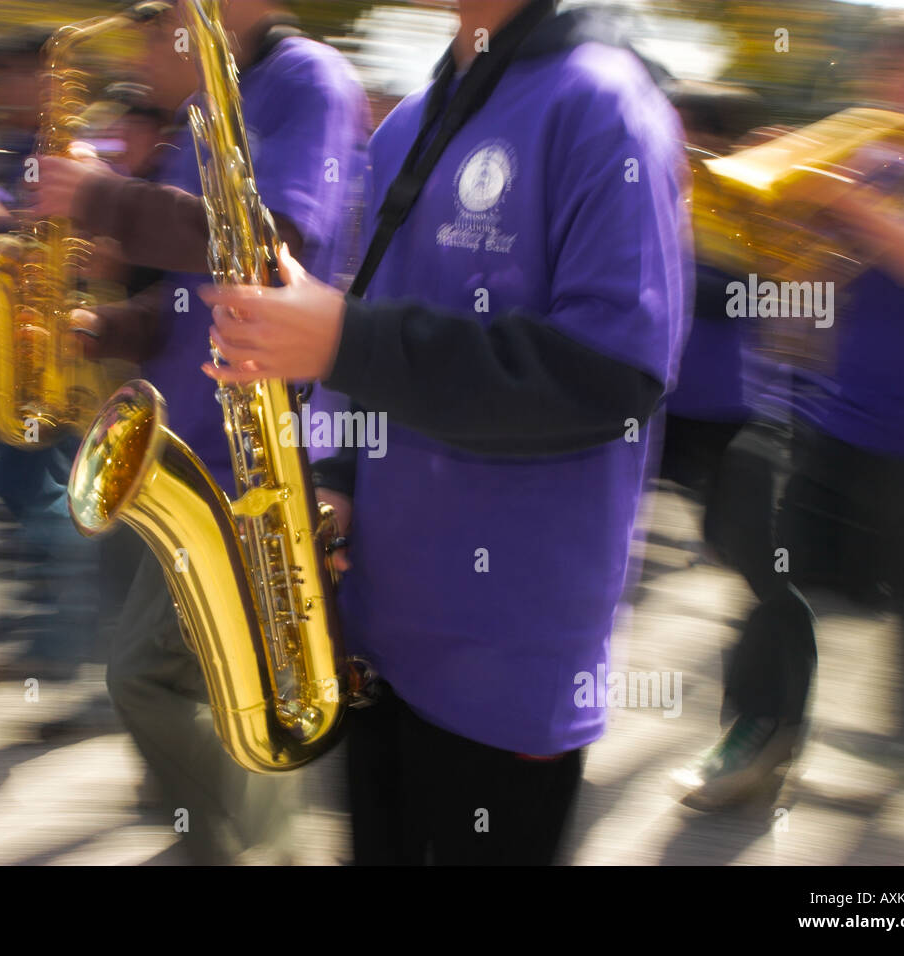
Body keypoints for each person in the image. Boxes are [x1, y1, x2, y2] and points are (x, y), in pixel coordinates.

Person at [199, 0, 689, 864]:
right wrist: (340, 479)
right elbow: (379, 350)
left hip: (509, 660)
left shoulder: (606, 103)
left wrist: (343, 339)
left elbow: (612, 377)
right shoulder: (406, 130)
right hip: (377, 633)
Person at [35, 0, 369, 863]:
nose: (147, 33)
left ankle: (254, 851)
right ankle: (252, 841)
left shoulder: (308, 81)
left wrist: (103, 197)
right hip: (191, 440)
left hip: (250, 444)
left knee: (149, 679)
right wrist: (100, 327)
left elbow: (274, 243)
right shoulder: (208, 108)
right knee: (220, 685)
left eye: (157, 18)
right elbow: (190, 298)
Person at [673, 20, 904, 810]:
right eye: (899, 71)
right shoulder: (862, 165)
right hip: (831, 418)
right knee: (776, 574)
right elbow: (796, 308)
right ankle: (756, 740)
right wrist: (784, 220)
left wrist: (843, 202)